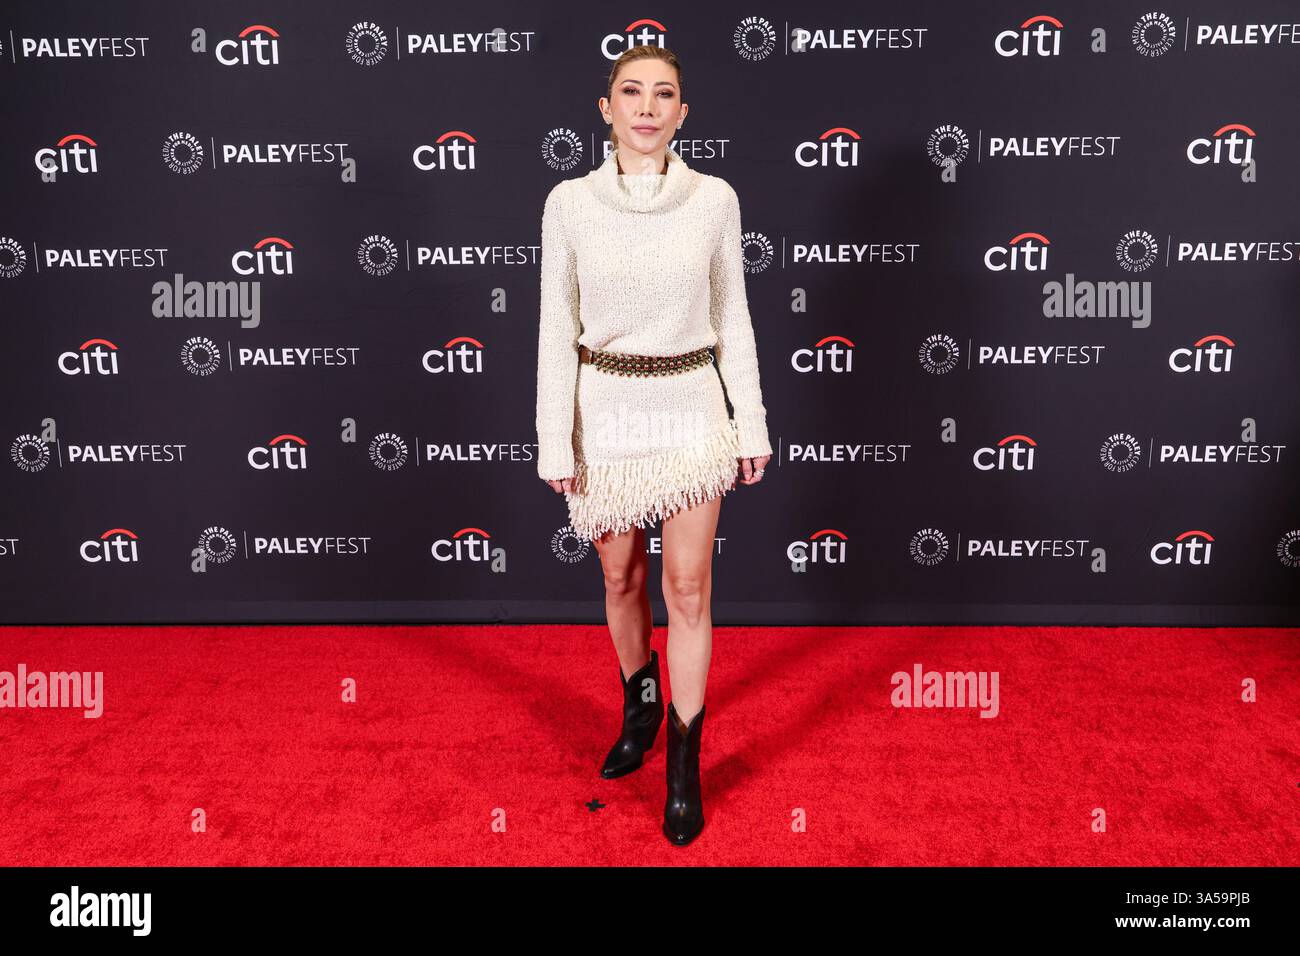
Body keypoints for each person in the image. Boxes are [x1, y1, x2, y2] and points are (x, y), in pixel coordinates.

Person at [534, 45, 773, 846]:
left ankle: (682, 764)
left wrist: (752, 423)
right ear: (605, 108)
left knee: (690, 587)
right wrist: (554, 439)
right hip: (605, 407)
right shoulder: (568, 202)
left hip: (690, 408)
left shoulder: (714, 200)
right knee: (620, 573)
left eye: (662, 94)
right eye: (630, 92)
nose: (646, 106)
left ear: (681, 111)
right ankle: (638, 703)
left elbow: (732, 315)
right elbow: (553, 329)